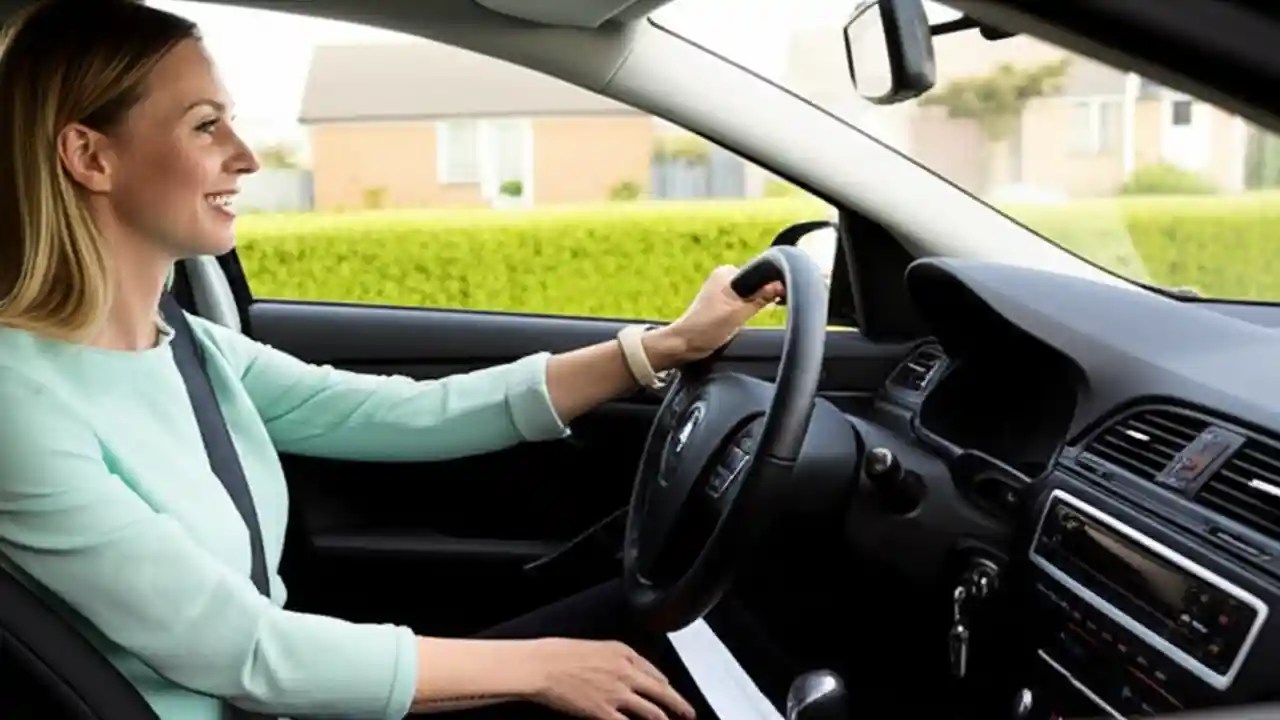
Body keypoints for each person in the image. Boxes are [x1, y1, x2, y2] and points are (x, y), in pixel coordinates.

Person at [0, 1, 785, 719]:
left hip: (283, 699)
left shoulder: (184, 346)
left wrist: (663, 347)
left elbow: (409, 414)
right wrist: (539, 667)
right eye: (206, 127)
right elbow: (245, 652)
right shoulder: (18, 404)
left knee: (679, 625)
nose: (247, 158)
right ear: (90, 156)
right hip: (261, 692)